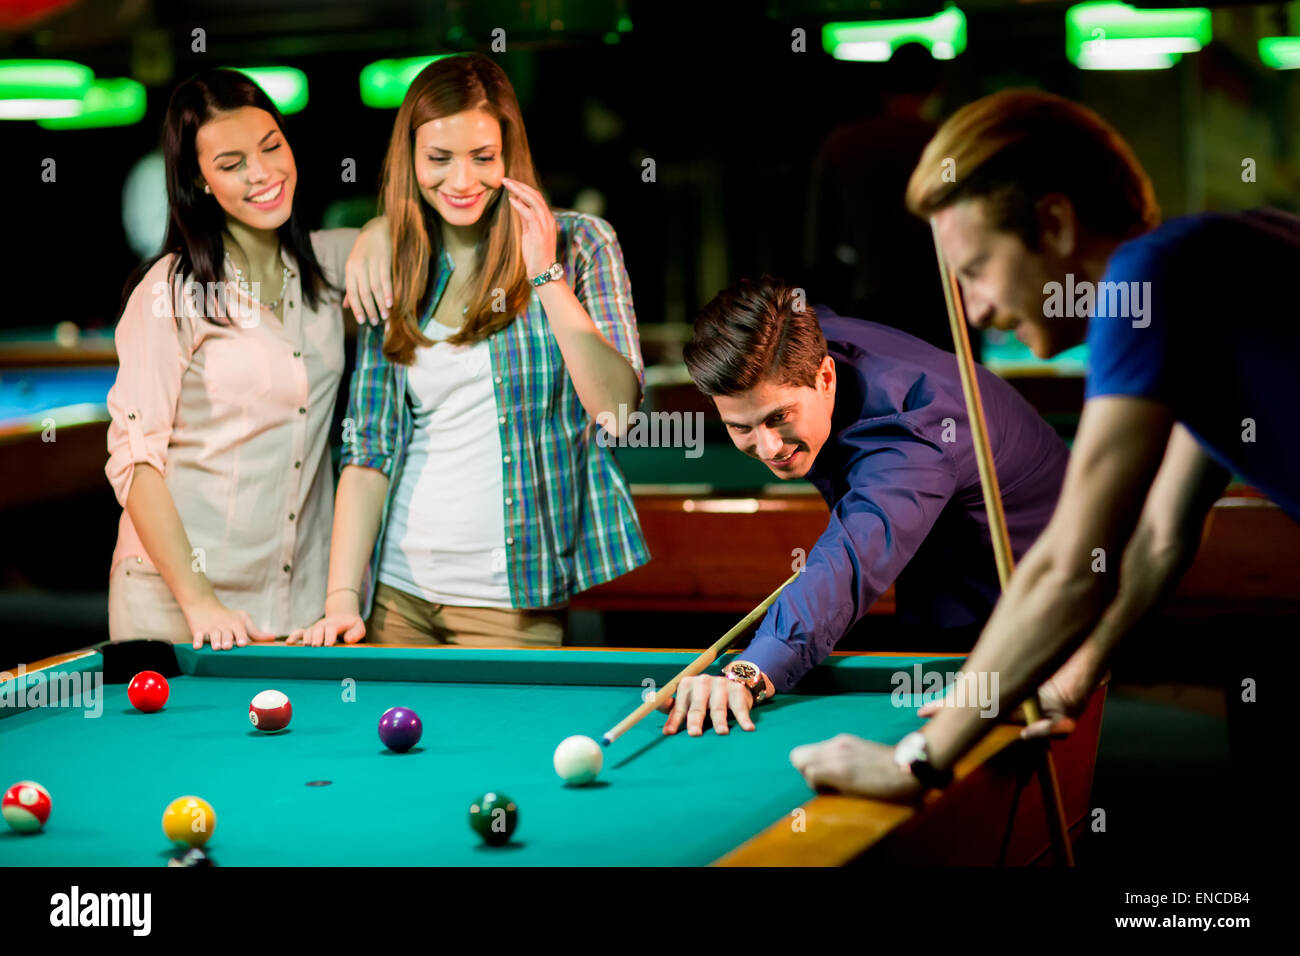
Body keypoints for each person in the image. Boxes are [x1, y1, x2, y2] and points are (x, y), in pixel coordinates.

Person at [789, 89, 1297, 799]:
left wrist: (920, 758)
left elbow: (1068, 566)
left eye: (975, 270)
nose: (976, 310)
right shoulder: (1206, 266)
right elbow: (1156, 535)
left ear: (1054, 223)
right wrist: (1070, 675)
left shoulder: (1146, 280)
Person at [287, 54, 647, 648]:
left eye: (482, 158)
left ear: (510, 155)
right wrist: (342, 600)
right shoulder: (395, 262)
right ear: (410, 160)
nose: (461, 181)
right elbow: (369, 447)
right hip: (395, 599)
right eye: (438, 159)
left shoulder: (582, 244)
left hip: (509, 604)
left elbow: (618, 414)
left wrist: (546, 275)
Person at [663, 275, 1068, 735]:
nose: (769, 446)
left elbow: (851, 558)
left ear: (826, 376)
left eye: (779, 417)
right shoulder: (799, 338)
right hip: (942, 574)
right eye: (741, 428)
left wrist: (747, 671)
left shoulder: (913, 430)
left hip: (1034, 597)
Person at [105, 70, 371, 650]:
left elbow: (414, 239)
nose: (263, 173)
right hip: (177, 610)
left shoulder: (330, 268)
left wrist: (377, 233)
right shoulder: (169, 292)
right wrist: (200, 600)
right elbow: (135, 462)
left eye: (272, 147)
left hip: (298, 611)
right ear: (198, 181)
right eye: (230, 164)